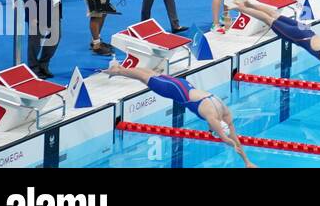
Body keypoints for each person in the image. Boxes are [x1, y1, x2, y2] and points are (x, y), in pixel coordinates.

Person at [102, 64, 253, 166]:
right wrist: (231, 143)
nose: (210, 129)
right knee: (143, 78)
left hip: (184, 85)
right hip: (175, 90)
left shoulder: (225, 112)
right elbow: (226, 138)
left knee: (151, 74)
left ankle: (120, 68)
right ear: (216, 127)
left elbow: (232, 136)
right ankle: (117, 70)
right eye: (211, 130)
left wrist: (247, 162)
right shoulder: (212, 118)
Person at [230, 0, 320, 109]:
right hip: (299, 36)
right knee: (269, 20)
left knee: (275, 14)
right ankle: (241, 8)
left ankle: (249, 4)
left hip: (307, 30)